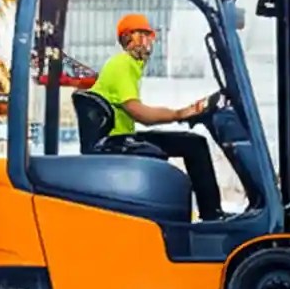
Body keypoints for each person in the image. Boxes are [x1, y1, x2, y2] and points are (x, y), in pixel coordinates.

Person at [88, 13, 228, 221]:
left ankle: (212, 213)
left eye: (149, 36)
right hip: (117, 142)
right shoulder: (122, 64)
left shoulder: (130, 66)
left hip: (119, 138)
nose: (148, 41)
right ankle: (212, 215)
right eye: (141, 35)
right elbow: (140, 113)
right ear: (127, 38)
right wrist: (179, 114)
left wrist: (183, 113)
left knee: (193, 143)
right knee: (194, 145)